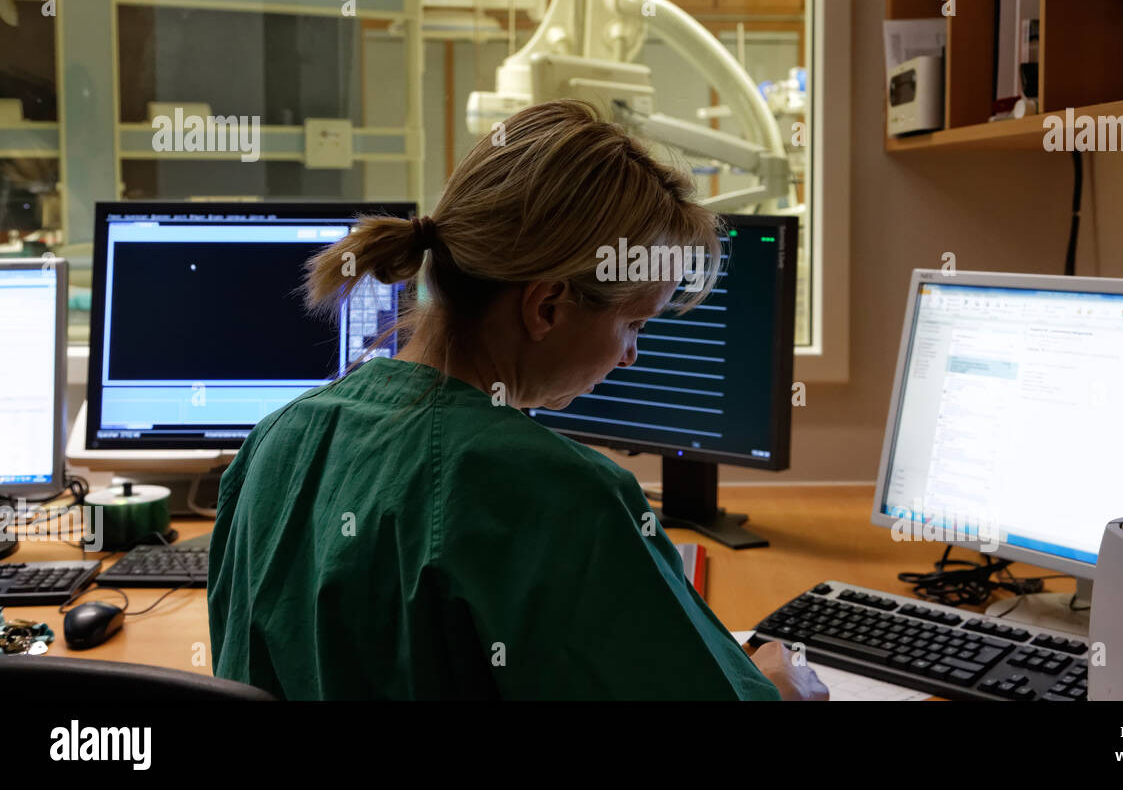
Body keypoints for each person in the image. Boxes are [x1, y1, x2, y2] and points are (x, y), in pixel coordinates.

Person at [207, 98, 827, 700]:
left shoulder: (276, 440)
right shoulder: (558, 495)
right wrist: (772, 686)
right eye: (634, 325)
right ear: (546, 306)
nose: (632, 355)